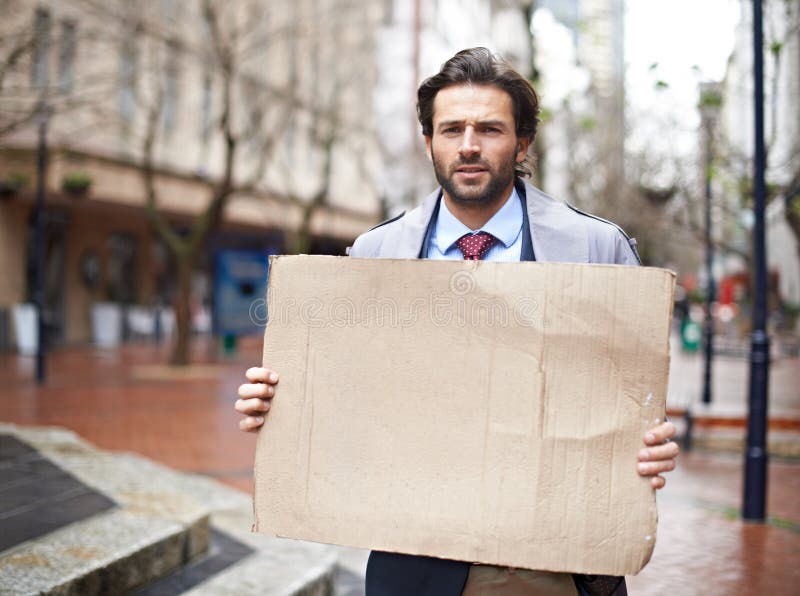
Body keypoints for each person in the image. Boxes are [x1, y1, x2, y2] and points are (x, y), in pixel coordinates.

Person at [235, 47, 679, 596]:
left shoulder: (597, 248)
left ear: (522, 143)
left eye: (489, 129)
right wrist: (278, 406)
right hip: (416, 564)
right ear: (429, 142)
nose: (469, 145)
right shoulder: (374, 254)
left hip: (556, 564)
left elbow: (632, 401)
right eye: (451, 130)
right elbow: (341, 400)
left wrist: (650, 442)